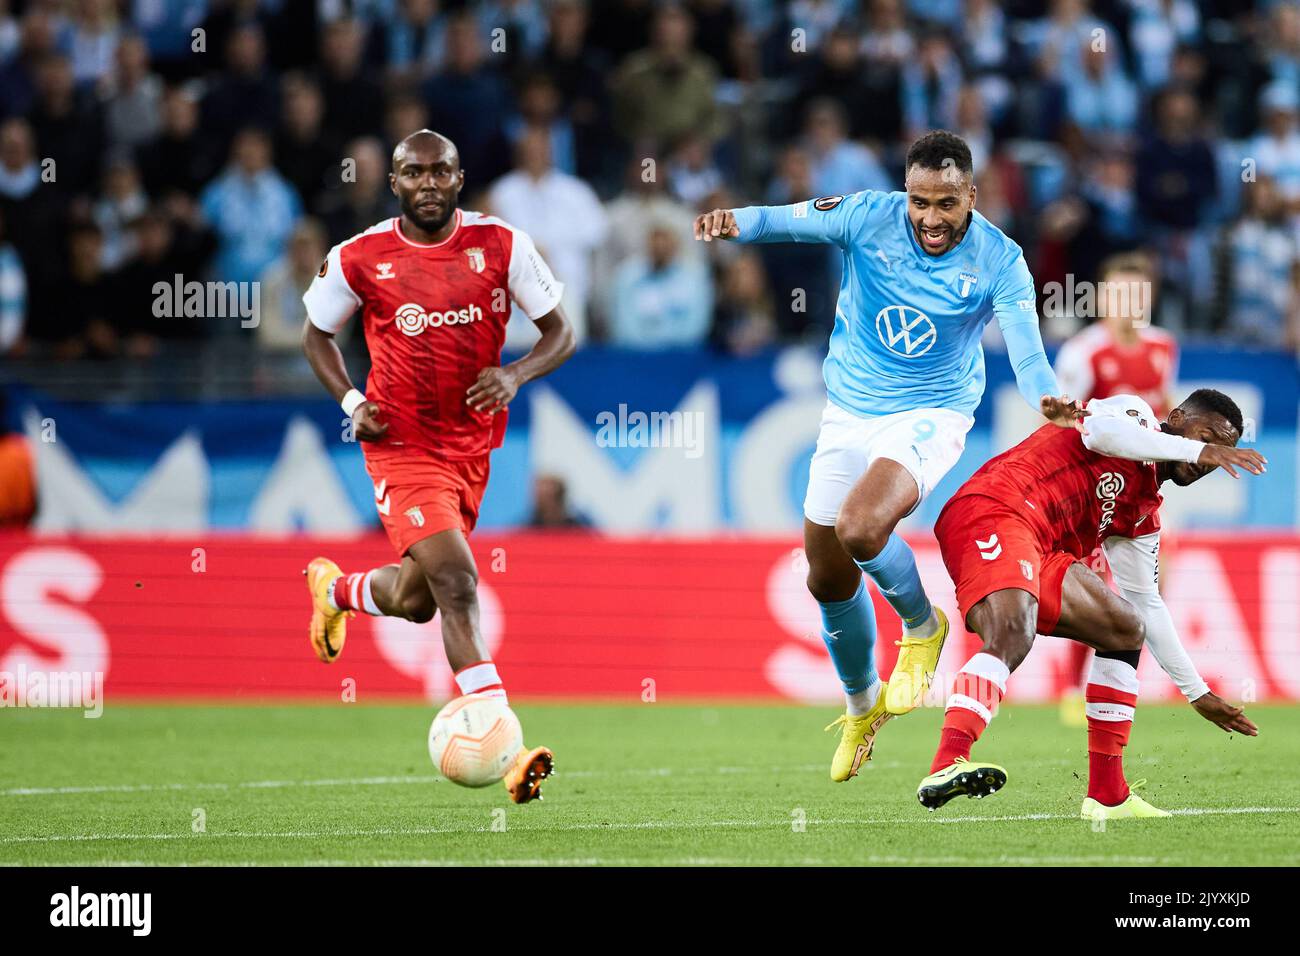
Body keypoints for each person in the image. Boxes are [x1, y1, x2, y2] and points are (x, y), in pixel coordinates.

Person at [694, 130, 1078, 783]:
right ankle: (860, 704)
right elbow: (787, 221)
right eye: (920, 201)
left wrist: (1047, 399)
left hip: (932, 413)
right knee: (827, 576)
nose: (931, 218)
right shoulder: (868, 216)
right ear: (907, 192)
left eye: (947, 204)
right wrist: (734, 222)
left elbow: (1027, 349)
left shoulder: (1000, 259)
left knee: (863, 525)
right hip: (847, 410)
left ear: (971, 197)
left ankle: (923, 626)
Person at [300, 130, 576, 804]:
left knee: (419, 600)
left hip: (470, 449)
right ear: (394, 183)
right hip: (400, 444)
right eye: (414, 173)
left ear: (460, 178)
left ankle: (337, 592)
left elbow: (561, 332)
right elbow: (315, 333)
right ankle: (506, 744)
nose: (428, 183)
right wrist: (351, 399)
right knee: (457, 580)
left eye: (441, 172)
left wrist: (516, 375)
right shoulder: (359, 257)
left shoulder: (503, 245)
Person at [918, 390, 1262, 820]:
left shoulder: (1143, 513)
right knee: (1012, 631)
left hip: (1041, 549)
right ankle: (946, 762)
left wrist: (1198, 693)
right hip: (995, 509)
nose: (1208, 458)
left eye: (1220, 453)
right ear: (1176, 417)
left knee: (1123, 627)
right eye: (1207, 438)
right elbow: (1098, 432)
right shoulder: (1134, 415)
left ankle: (1107, 796)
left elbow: (1149, 606)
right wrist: (1197, 446)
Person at [1054, 250, 1178, 719]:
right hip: (1095, 485)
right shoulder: (1083, 353)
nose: (1129, 304)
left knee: (1153, 581)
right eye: (1119, 293)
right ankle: (1072, 687)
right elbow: (1062, 421)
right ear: (1103, 298)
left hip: (1143, 482)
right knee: (1096, 588)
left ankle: (1121, 678)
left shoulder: (1164, 346)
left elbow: (1162, 406)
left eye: (1138, 294)